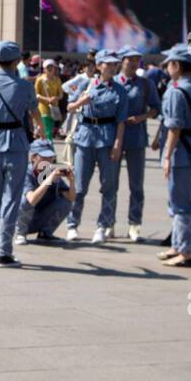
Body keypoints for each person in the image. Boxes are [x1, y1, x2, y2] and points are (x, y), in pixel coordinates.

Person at [0, 40, 46, 267]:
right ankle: (4, 251)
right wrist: (42, 130)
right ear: (16, 61)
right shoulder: (24, 85)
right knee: (11, 198)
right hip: (15, 143)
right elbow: (34, 112)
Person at [63, 50, 129, 243]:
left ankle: (103, 226)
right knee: (80, 185)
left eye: (115, 64)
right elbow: (68, 107)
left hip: (107, 138)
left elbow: (121, 120)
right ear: (99, 65)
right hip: (85, 135)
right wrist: (81, 101)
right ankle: (72, 224)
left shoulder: (120, 90)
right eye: (108, 64)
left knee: (108, 185)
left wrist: (118, 144)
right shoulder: (85, 83)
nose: (112, 67)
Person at [157, 43, 191, 267]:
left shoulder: (176, 90)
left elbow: (174, 128)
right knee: (181, 198)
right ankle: (178, 246)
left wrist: (167, 156)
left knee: (181, 204)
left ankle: (185, 252)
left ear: (177, 65)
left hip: (181, 153)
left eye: (168, 63)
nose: (166, 67)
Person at [115, 46, 160, 242]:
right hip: (113, 139)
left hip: (136, 138)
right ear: (121, 61)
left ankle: (134, 224)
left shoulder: (145, 84)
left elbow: (156, 108)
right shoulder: (113, 82)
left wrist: (142, 117)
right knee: (110, 184)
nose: (133, 63)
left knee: (136, 185)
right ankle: (107, 223)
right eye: (129, 59)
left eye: (136, 60)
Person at [14, 139, 76, 245]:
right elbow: (31, 200)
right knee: (26, 200)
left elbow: (70, 198)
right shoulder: (25, 172)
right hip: (19, 221)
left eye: (50, 157)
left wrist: (71, 182)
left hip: (38, 219)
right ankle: (21, 233)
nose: (48, 160)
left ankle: (45, 234)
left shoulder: (50, 173)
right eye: (44, 157)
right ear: (33, 157)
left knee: (65, 202)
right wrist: (49, 180)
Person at [34, 59, 63, 141]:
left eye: (52, 67)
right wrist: (47, 99)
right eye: (48, 67)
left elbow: (61, 94)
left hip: (53, 109)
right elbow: (36, 94)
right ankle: (49, 147)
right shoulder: (40, 80)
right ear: (44, 69)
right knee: (47, 130)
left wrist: (55, 98)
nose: (50, 69)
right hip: (43, 108)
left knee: (50, 129)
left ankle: (46, 146)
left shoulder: (57, 80)